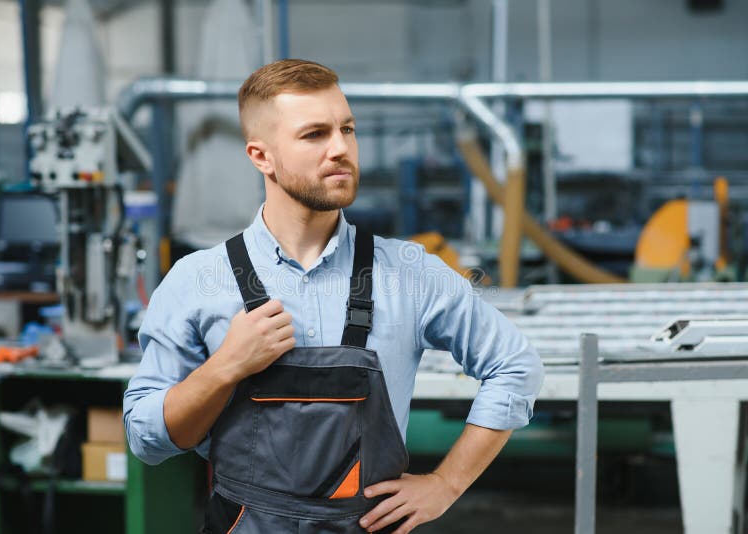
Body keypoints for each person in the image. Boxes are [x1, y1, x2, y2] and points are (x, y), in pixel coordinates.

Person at [124, 59, 544, 534]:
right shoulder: (196, 280)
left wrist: (446, 484)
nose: (341, 149)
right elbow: (147, 439)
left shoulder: (409, 273)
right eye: (315, 135)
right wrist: (226, 366)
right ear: (261, 157)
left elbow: (515, 366)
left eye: (347, 129)